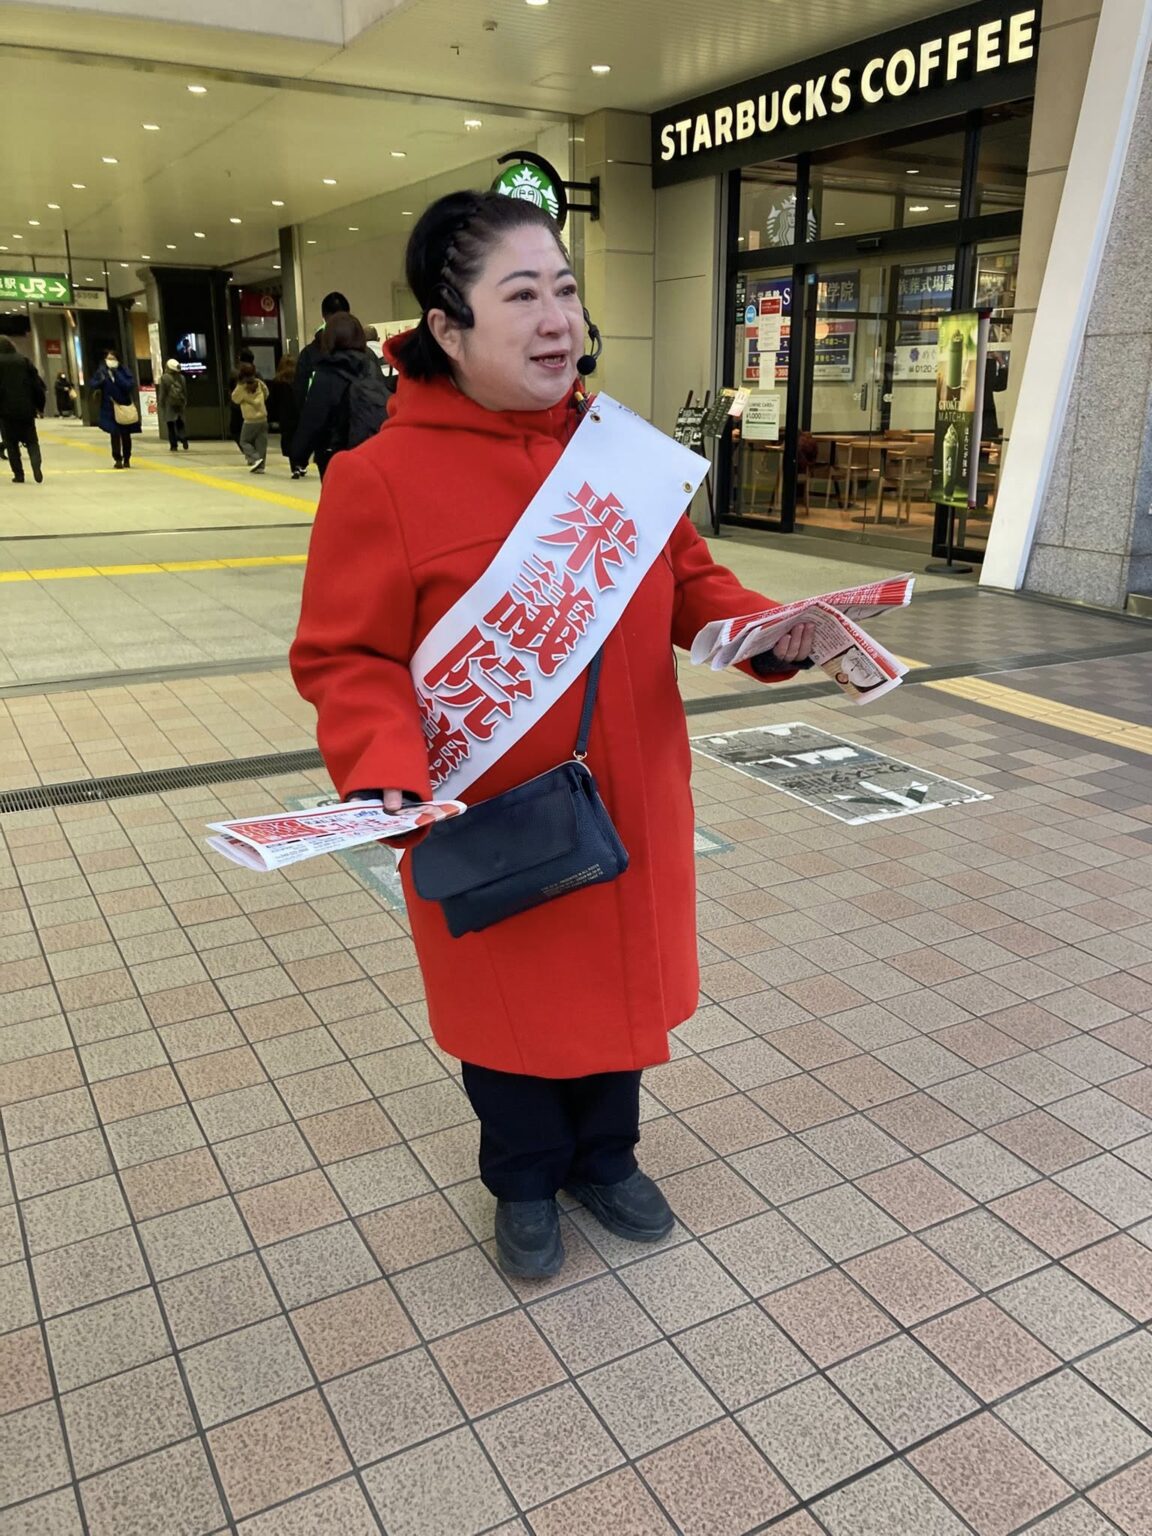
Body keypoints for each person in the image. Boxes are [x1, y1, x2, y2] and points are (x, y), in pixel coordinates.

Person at [291, 190, 812, 1280]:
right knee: (515, 1014)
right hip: (491, 811)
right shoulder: (379, 477)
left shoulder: (619, 453)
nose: (556, 319)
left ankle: (607, 1158)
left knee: (618, 997)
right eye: (520, 294)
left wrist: (782, 635)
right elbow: (349, 657)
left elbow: (693, 586)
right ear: (447, 327)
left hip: (629, 802)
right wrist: (383, 772)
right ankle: (524, 1178)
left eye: (565, 289)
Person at [290, 311, 387, 479]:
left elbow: (314, 418)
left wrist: (299, 454)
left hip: (335, 456)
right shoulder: (371, 365)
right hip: (371, 454)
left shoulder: (328, 371)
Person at [0, 338, 47, 484]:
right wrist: (40, 406)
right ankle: (36, 466)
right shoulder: (24, 361)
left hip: (5, 411)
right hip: (26, 409)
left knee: (11, 443)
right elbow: (37, 386)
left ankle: (19, 475)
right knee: (32, 441)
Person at [294, 291, 350, 411]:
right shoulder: (363, 353)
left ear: (323, 317)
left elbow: (300, 399)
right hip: (356, 426)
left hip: (321, 424)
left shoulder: (309, 354)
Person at [89, 347, 139, 469]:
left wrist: (116, 374)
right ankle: (118, 458)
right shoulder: (102, 372)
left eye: (113, 358)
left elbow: (128, 386)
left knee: (126, 435)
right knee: (114, 434)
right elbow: (93, 384)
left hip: (124, 406)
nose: (110, 360)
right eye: (108, 358)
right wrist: (100, 381)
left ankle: (127, 457)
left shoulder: (124, 371)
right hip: (109, 407)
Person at [268, 353, 305, 478]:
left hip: (285, 417)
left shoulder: (277, 382)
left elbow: (272, 402)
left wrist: (272, 418)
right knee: (300, 440)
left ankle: (294, 467)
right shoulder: (300, 379)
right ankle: (301, 464)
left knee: (289, 441)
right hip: (300, 415)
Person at [230, 361, 269, 472]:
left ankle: (255, 458)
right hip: (263, 418)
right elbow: (267, 394)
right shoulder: (260, 383)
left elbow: (235, 399)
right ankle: (260, 467)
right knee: (261, 442)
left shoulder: (241, 387)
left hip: (250, 420)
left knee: (244, 441)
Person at [157, 358, 190, 452]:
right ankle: (183, 438)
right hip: (179, 403)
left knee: (170, 425)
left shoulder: (164, 377)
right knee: (180, 423)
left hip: (169, 404)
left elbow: (163, 392)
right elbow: (185, 391)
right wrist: (184, 401)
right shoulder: (182, 377)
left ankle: (173, 445)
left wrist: (161, 403)